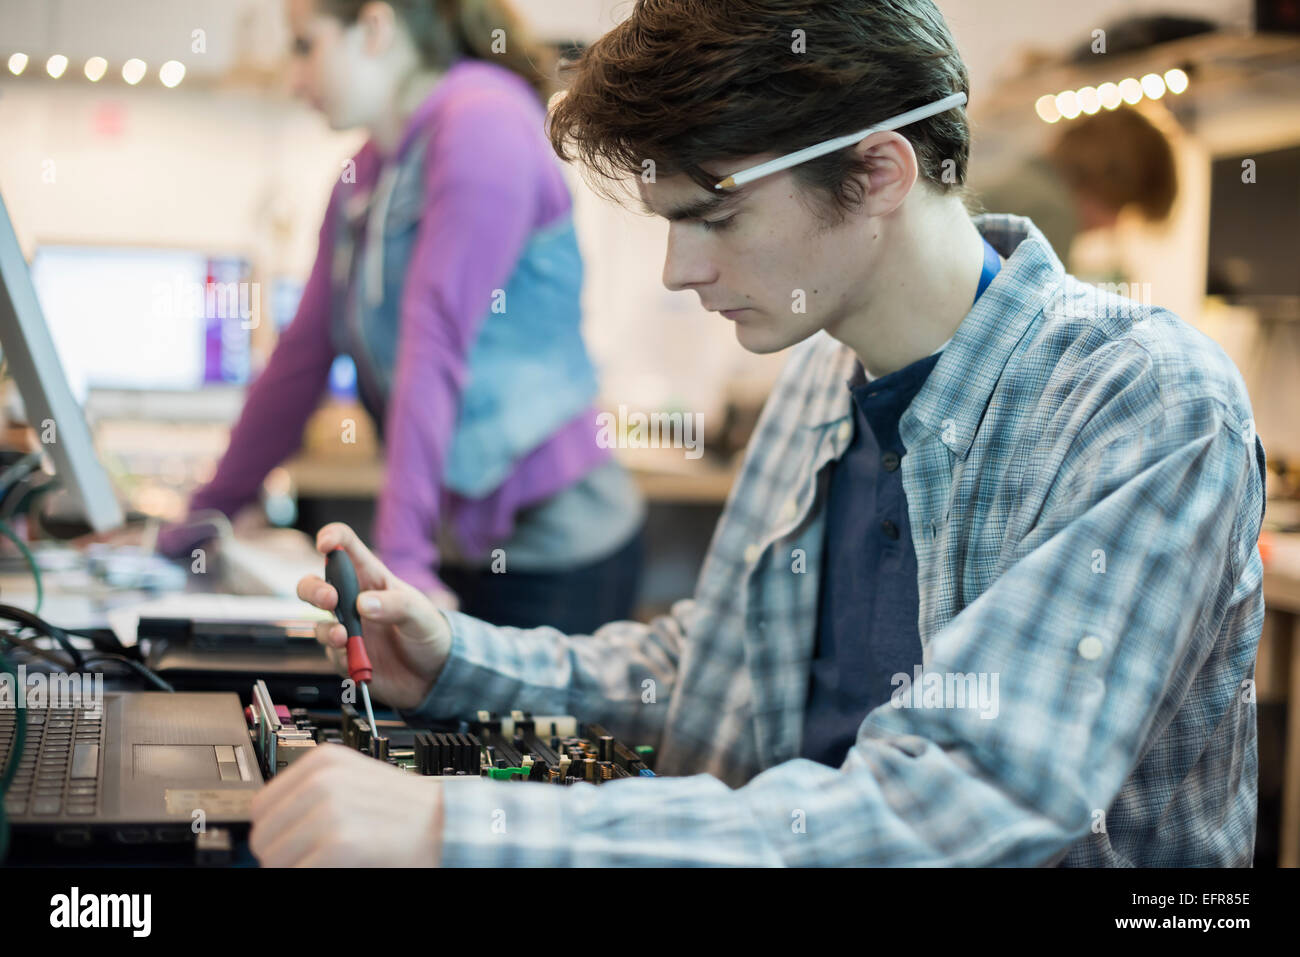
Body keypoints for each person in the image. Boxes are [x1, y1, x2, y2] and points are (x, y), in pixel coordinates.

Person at [249, 0, 1266, 866]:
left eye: (714, 218)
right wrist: (465, 663)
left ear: (876, 173)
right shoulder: (822, 380)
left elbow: (953, 804)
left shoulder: (1143, 405)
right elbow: (721, 668)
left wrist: (458, 825)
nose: (676, 271)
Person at [160, 0, 646, 634]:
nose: (293, 76)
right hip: (457, 545)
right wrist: (199, 521)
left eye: (305, 45)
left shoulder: (485, 122)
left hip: (555, 547)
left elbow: (435, 337)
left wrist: (405, 563)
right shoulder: (365, 172)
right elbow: (302, 356)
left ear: (375, 28)